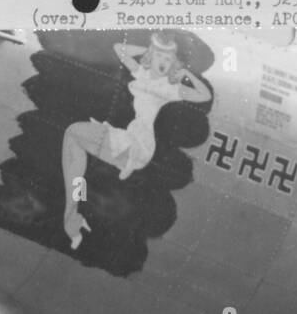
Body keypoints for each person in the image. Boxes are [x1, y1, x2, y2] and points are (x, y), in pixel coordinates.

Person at [60, 30, 211, 248]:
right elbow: (119, 50)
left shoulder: (170, 88)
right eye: (160, 57)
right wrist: (149, 49)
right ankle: (74, 213)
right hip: (128, 137)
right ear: (152, 57)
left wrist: (187, 73)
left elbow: (204, 94)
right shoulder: (142, 73)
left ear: (173, 64)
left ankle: (72, 216)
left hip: (138, 144)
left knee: (74, 136)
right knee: (75, 140)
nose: (163, 62)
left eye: (169, 59)